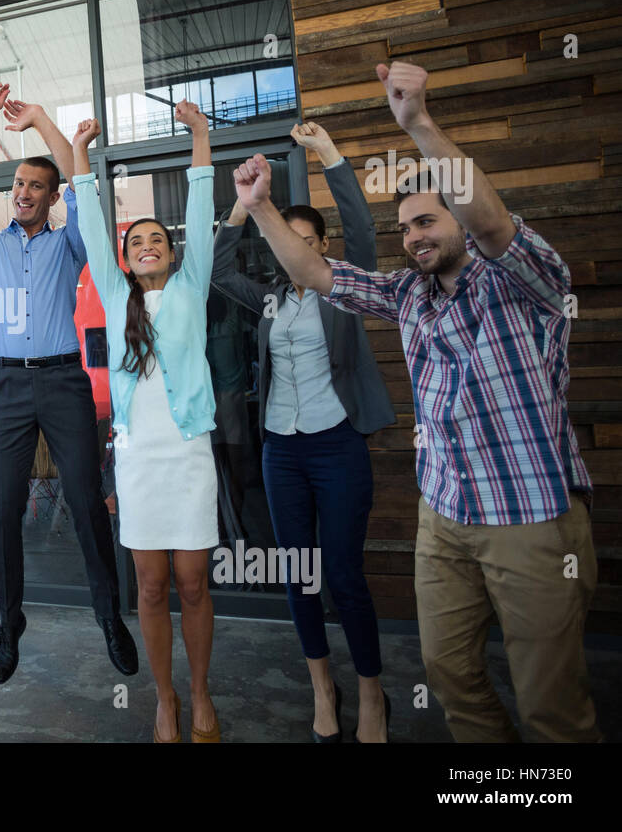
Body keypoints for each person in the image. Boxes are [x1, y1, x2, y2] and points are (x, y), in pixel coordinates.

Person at [233, 62, 600, 743]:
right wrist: (258, 206)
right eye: (405, 228)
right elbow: (315, 271)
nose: (414, 237)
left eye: (427, 220)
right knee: (452, 679)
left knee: (551, 707)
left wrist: (419, 125)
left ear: (459, 213)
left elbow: (493, 228)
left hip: (529, 517)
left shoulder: (525, 280)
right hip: (445, 517)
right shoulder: (406, 295)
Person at [0, 84, 137, 684]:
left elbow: (84, 188)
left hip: (61, 382)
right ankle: (9, 622)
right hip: (3, 386)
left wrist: (46, 123)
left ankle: (108, 615)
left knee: (85, 500)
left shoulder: (68, 245)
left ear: (51, 198)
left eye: (35, 186)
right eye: (18, 185)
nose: (23, 193)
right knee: (4, 510)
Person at [212, 121, 396, 743]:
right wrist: (244, 202)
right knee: (299, 574)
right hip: (281, 452)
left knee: (343, 575)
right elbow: (216, 264)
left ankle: (372, 692)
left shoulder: (345, 291)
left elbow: (363, 229)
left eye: (308, 242)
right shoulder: (266, 300)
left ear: (321, 248)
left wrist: (328, 154)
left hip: (337, 444)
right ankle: (324, 686)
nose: (296, 251)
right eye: (286, 240)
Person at [73, 103, 221, 743]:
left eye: (156, 237)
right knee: (153, 586)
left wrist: (200, 137)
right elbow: (89, 225)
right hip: (137, 461)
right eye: (136, 242)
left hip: (189, 457)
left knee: (192, 583)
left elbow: (199, 207)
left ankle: (201, 692)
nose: (146, 244)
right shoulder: (115, 295)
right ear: (127, 260)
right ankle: (164, 699)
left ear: (173, 249)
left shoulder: (193, 287)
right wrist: (79, 154)